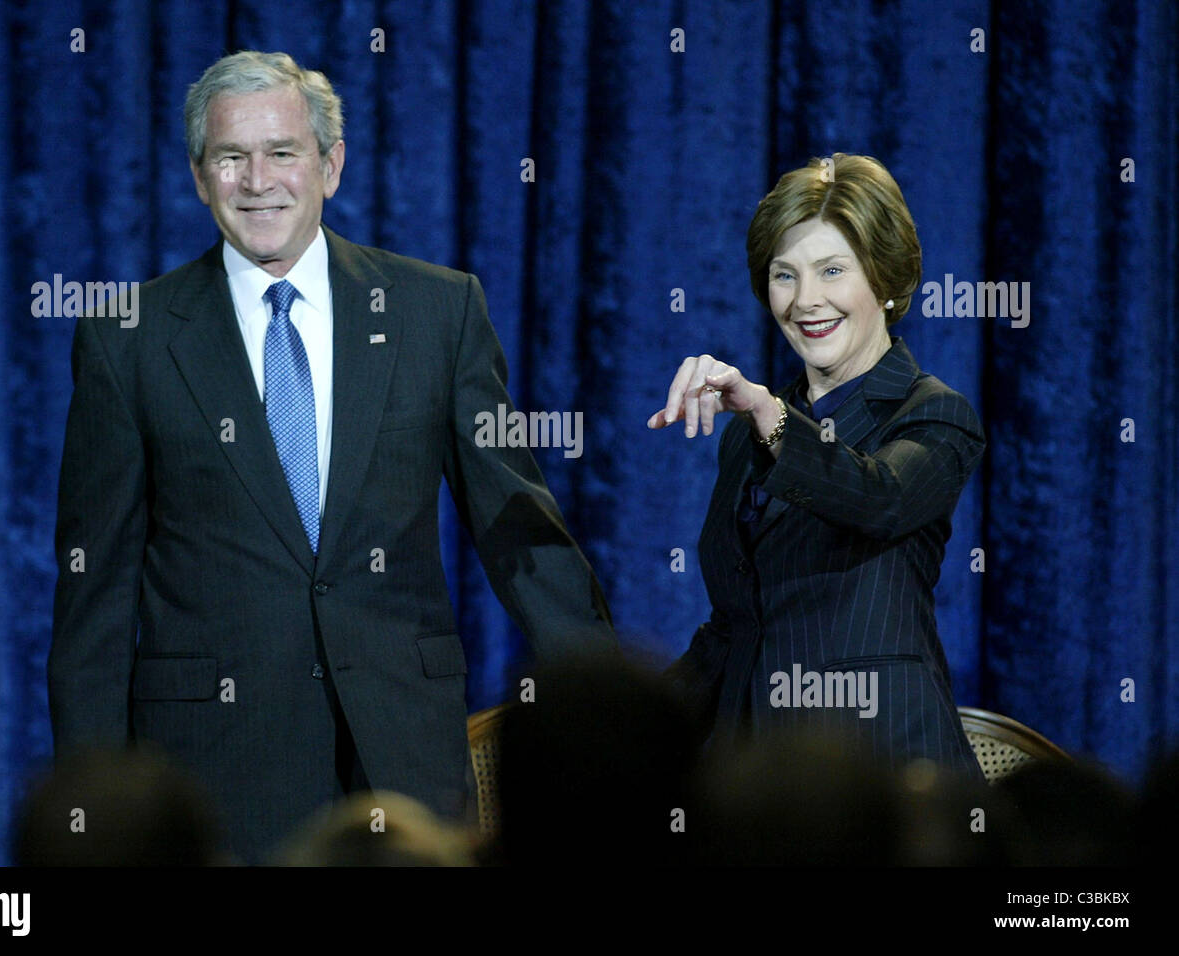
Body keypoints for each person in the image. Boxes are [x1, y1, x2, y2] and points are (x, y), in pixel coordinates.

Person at [48, 50, 615, 863]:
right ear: (200, 177)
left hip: (403, 757)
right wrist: (91, 812)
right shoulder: (127, 340)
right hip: (215, 765)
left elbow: (514, 527)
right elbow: (92, 598)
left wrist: (616, 716)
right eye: (230, 158)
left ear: (331, 165)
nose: (258, 180)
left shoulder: (437, 311)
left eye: (282, 152)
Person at [651, 153, 985, 783]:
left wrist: (771, 417)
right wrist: (621, 730)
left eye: (833, 270)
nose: (806, 301)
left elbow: (876, 496)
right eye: (785, 276)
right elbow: (734, 629)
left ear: (884, 279)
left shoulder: (935, 415)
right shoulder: (753, 433)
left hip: (883, 772)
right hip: (762, 778)